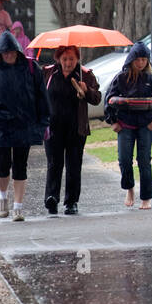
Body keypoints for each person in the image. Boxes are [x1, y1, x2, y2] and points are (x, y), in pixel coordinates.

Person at [0, 30, 50, 222]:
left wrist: (43, 124)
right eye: (5, 52)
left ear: (17, 51)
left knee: (20, 167)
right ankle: (2, 197)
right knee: (2, 166)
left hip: (23, 125)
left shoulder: (31, 68)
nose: (8, 55)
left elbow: (42, 98)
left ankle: (18, 206)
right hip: (0, 126)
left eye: (11, 51)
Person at [103, 42, 152, 210]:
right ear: (131, 59)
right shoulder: (121, 78)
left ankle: (146, 197)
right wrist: (113, 122)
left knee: (144, 161)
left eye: (144, 59)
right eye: (137, 59)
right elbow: (109, 99)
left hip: (146, 125)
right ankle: (129, 188)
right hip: (125, 124)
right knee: (124, 160)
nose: (140, 63)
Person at [41, 46, 101, 215]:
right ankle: (51, 198)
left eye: (72, 59)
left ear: (77, 59)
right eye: (65, 59)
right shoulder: (48, 73)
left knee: (74, 164)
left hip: (76, 127)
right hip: (53, 127)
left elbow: (97, 98)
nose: (68, 63)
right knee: (54, 163)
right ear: (58, 58)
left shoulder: (85, 75)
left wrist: (86, 90)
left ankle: (71, 201)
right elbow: (37, 94)